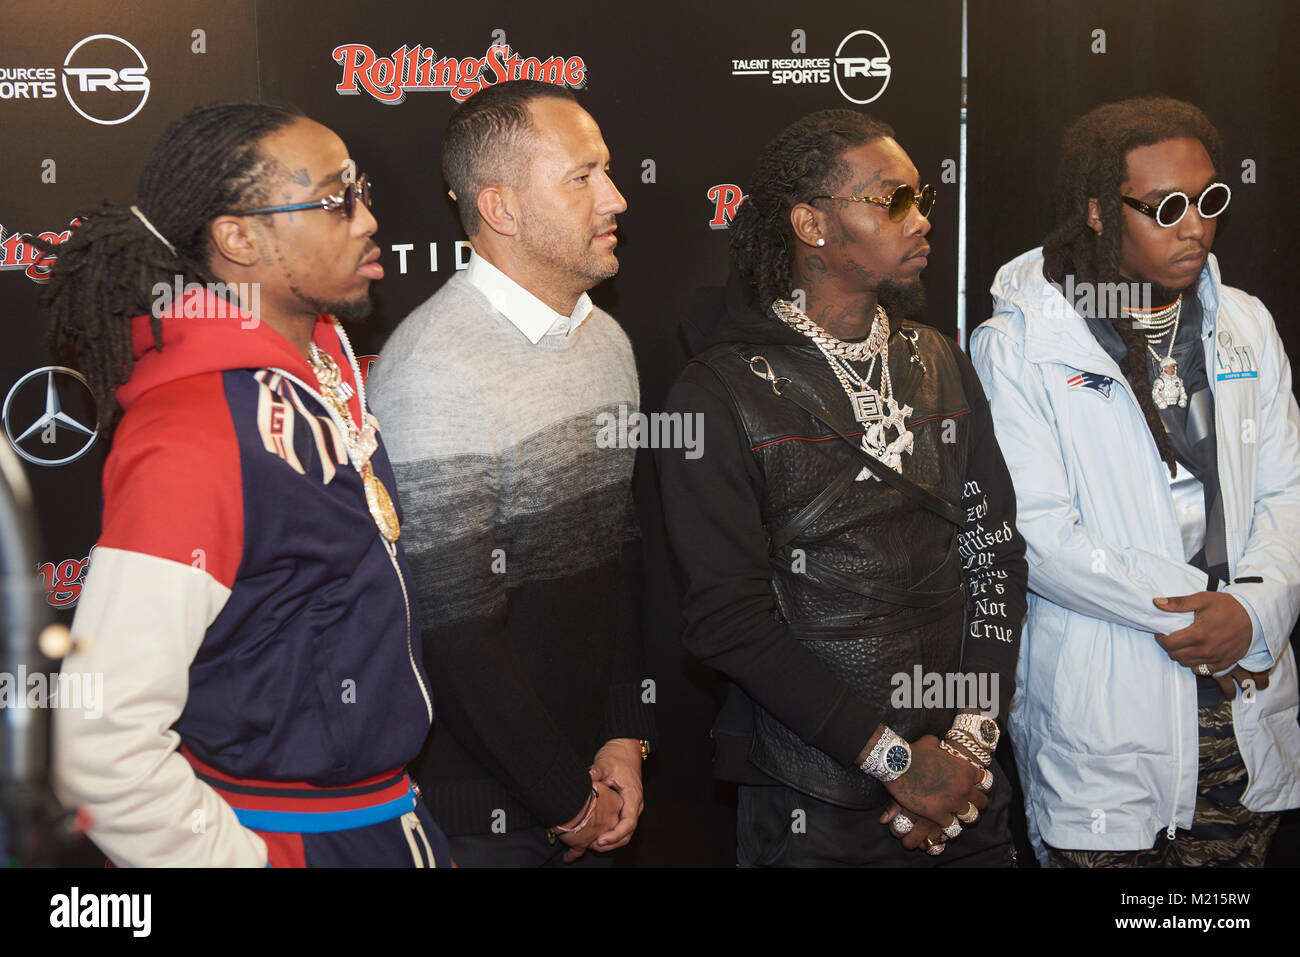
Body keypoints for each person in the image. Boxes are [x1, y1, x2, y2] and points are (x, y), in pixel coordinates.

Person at [44, 101, 450, 867]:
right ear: (238, 237)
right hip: (291, 838)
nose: (365, 220)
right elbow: (99, 743)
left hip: (386, 815)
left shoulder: (324, 376)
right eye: (335, 200)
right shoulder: (192, 428)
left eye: (361, 193)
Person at [654, 109, 1027, 866]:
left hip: (967, 788)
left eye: (921, 198)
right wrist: (896, 761)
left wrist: (966, 742)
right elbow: (729, 620)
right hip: (810, 800)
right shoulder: (718, 392)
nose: (920, 219)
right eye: (892, 199)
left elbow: (994, 556)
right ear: (811, 224)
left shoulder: (940, 360)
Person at [971, 96, 1300, 867]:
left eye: (1210, 200)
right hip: (1108, 705)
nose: (1196, 226)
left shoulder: (1246, 322)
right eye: (1167, 207)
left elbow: (1287, 494)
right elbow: (1039, 536)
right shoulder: (1020, 341)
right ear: (1095, 209)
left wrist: (1251, 610)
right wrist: (1199, 613)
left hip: (1242, 698)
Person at [367, 79, 654, 867]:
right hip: (481, 815)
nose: (616, 197)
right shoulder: (432, 367)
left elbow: (620, 550)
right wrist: (564, 798)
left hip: (593, 783)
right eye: (583, 176)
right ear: (501, 209)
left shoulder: (607, 343)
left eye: (608, 170)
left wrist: (626, 731)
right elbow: (452, 628)